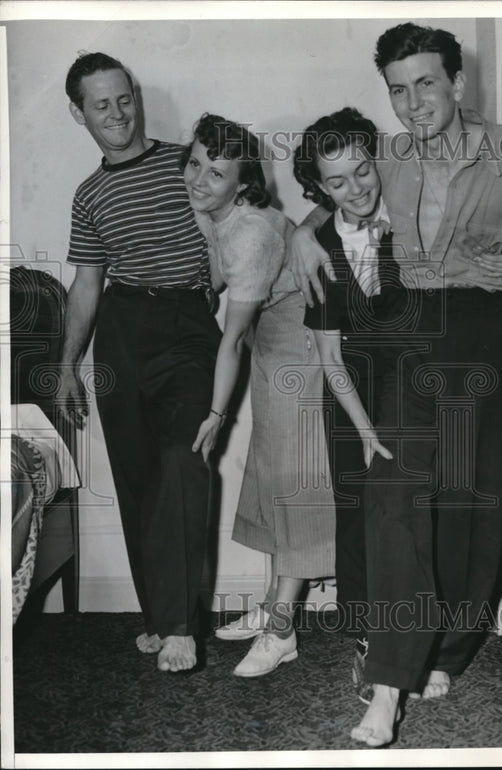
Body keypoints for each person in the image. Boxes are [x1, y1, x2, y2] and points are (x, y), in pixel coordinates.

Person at [290, 23, 502, 746]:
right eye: (397, 90)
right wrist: (301, 230)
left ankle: (443, 651)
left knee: (472, 504)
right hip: (409, 335)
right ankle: (390, 680)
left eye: (425, 83)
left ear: (457, 81)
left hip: (488, 334)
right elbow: (340, 192)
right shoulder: (387, 156)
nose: (413, 103)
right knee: (395, 491)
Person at [58, 52, 221, 672]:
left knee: (184, 458)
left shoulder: (186, 162)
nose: (118, 113)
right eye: (102, 104)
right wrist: (68, 365)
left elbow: (240, 218)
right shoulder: (89, 195)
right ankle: (158, 615)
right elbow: (87, 284)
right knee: (138, 478)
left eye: (124, 99)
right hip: (123, 329)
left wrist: (216, 286)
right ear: (79, 114)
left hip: (187, 328)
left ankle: (180, 626)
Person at [183, 113, 336, 677]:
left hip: (302, 352)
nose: (199, 179)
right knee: (274, 481)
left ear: (242, 182)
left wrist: (215, 413)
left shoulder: (250, 233)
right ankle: (274, 605)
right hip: (274, 348)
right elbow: (215, 280)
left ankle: (282, 630)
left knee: (295, 489)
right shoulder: (221, 214)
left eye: (216, 173)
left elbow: (230, 338)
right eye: (194, 164)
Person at [293, 107, 394, 703]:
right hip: (351, 397)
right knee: (356, 517)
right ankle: (365, 641)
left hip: (414, 387)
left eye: (362, 170)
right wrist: (364, 430)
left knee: (414, 513)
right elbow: (330, 358)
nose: (355, 188)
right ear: (320, 188)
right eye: (337, 181)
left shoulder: (412, 215)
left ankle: (419, 641)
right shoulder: (320, 246)